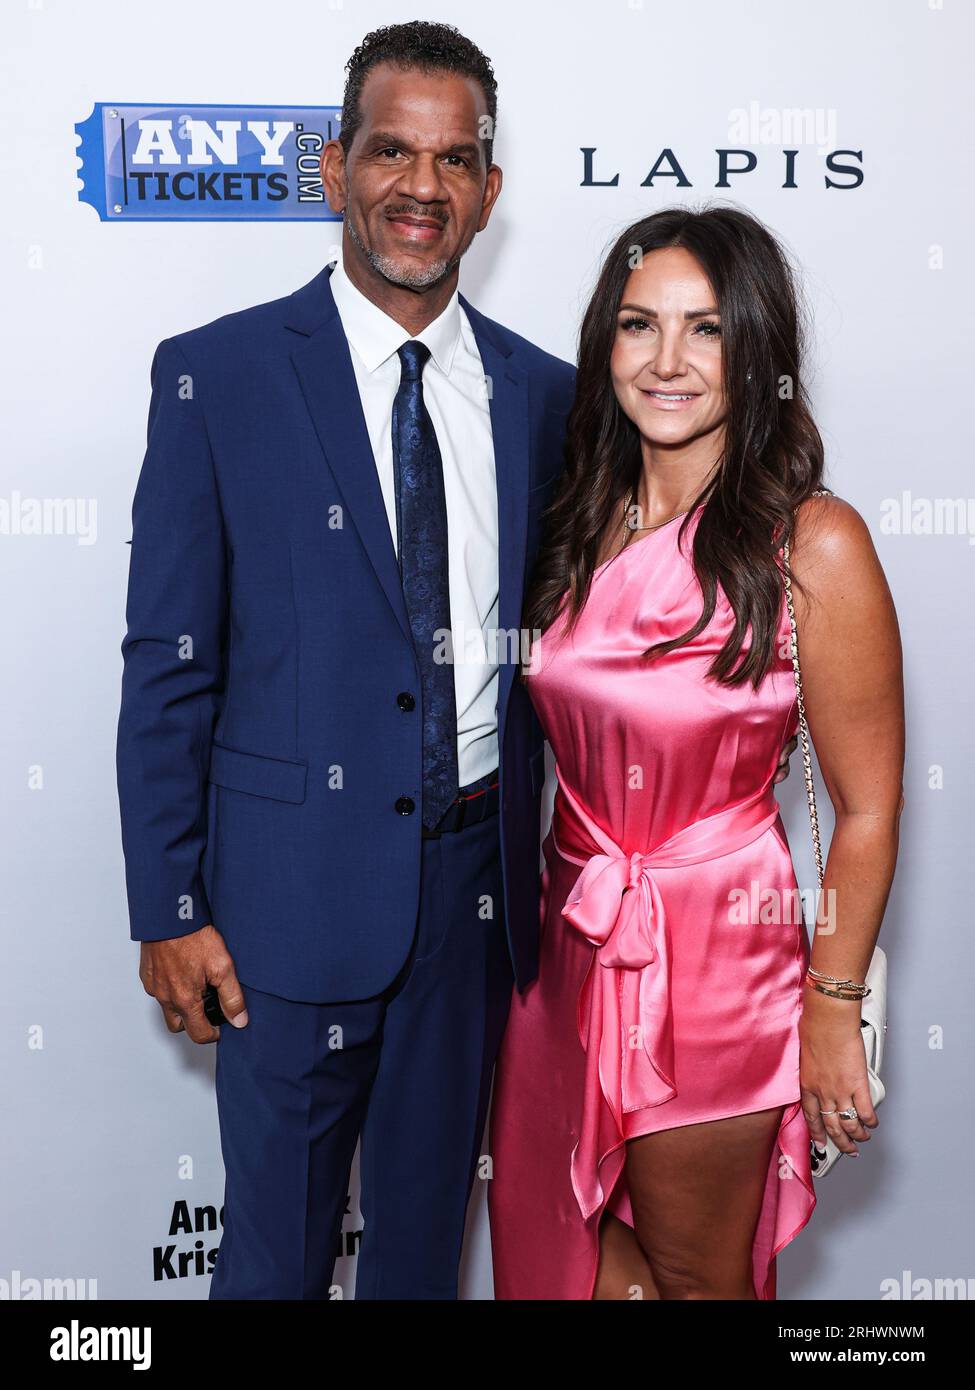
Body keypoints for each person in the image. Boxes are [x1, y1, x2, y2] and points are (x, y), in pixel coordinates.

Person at [115, 20, 576, 1300]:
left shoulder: (550, 397)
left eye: (454, 159)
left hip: (472, 912)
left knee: (422, 1262)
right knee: (272, 1265)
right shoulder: (221, 376)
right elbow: (167, 666)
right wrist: (169, 906)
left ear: (489, 188)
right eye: (390, 150)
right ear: (334, 168)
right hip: (281, 909)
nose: (420, 187)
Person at [487, 206, 905, 1300]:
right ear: (604, 344)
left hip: (718, 970)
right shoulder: (575, 518)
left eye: (706, 330)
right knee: (568, 1268)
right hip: (565, 946)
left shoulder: (812, 541)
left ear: (756, 350)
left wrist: (831, 1004)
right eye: (638, 325)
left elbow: (865, 809)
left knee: (696, 1280)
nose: (667, 360)